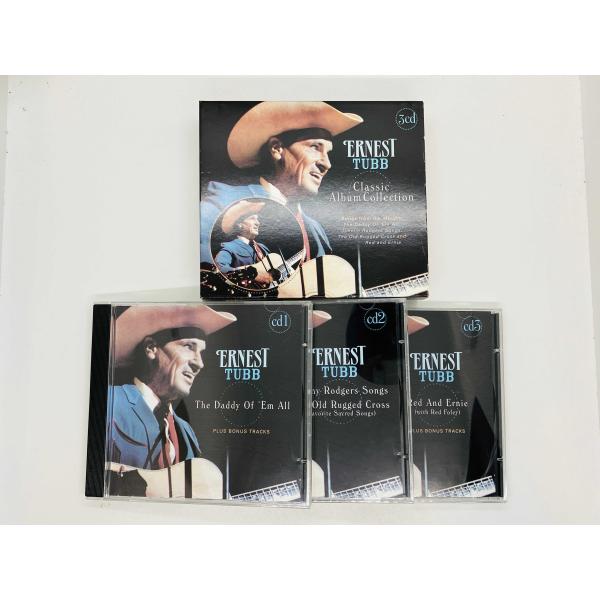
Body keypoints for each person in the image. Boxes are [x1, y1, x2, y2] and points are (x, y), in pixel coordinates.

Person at [200, 101, 364, 265]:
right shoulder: (223, 200)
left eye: (327, 153)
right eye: (315, 147)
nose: (327, 164)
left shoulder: (317, 230)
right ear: (277, 149)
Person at [107, 304, 236, 471]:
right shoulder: (109, 403)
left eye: (201, 353)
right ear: (151, 348)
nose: (200, 363)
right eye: (189, 347)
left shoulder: (187, 433)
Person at [213, 200, 273, 286]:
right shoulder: (230, 247)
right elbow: (219, 269)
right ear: (239, 224)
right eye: (252, 218)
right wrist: (249, 274)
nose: (258, 223)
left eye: (257, 219)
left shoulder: (262, 247)